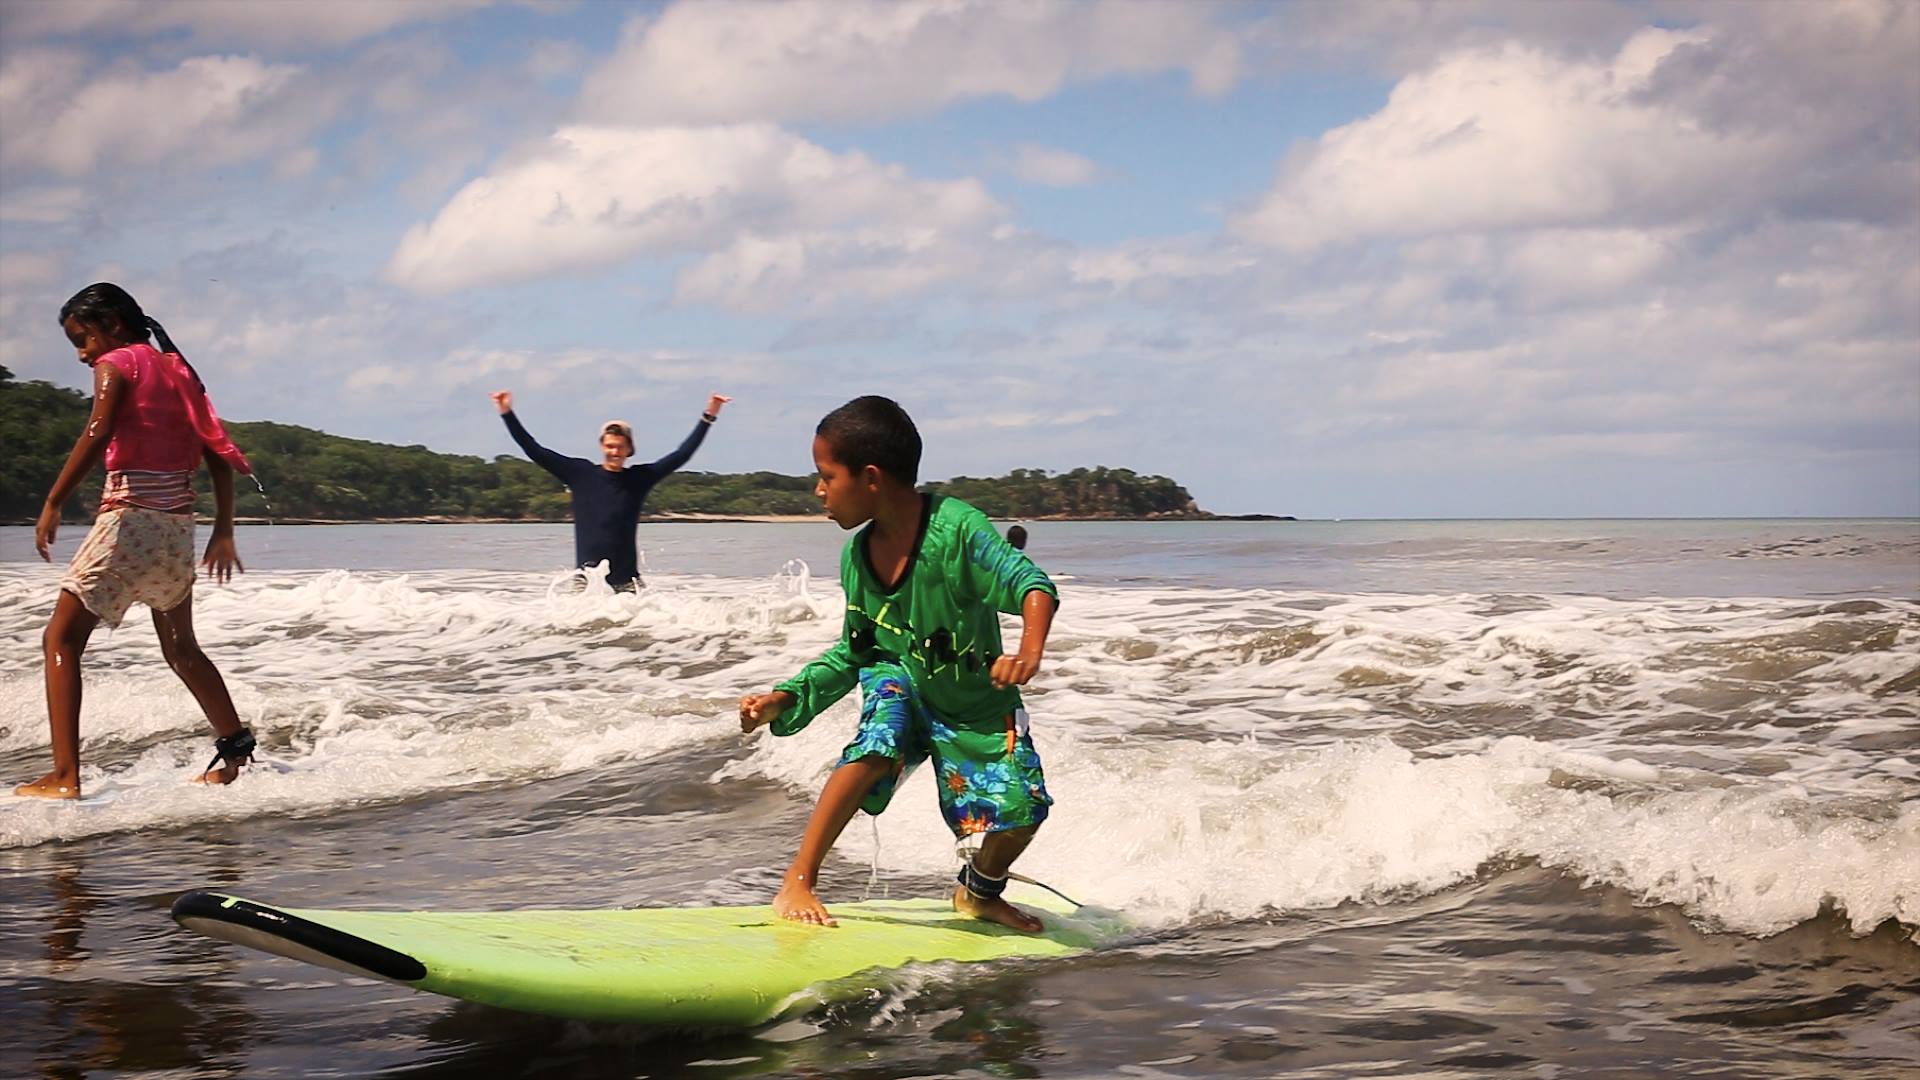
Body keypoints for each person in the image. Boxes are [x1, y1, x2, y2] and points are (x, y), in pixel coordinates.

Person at [739, 396, 1059, 932]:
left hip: (974, 703)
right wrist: (788, 697)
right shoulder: (857, 556)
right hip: (903, 681)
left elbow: (1031, 584)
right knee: (881, 730)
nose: (818, 491)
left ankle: (979, 892)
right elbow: (857, 651)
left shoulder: (957, 530)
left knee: (1025, 809)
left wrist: (1028, 652)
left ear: (869, 478)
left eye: (825, 476)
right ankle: (799, 877)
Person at [19, 283, 255, 799]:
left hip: (129, 523)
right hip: (176, 530)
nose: (83, 355)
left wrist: (55, 500)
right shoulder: (178, 369)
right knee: (182, 649)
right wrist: (223, 528)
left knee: (60, 639)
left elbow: (97, 431)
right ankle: (235, 758)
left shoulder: (119, 365)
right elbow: (217, 449)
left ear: (115, 326)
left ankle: (64, 777)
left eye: (84, 339)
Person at [489, 389, 729, 590]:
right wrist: (506, 412)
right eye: (610, 446)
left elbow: (682, 454)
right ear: (602, 446)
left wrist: (709, 416)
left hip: (628, 583)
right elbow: (533, 449)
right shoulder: (579, 474)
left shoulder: (639, 479)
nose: (614, 452)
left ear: (629, 450)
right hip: (587, 582)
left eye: (620, 447)